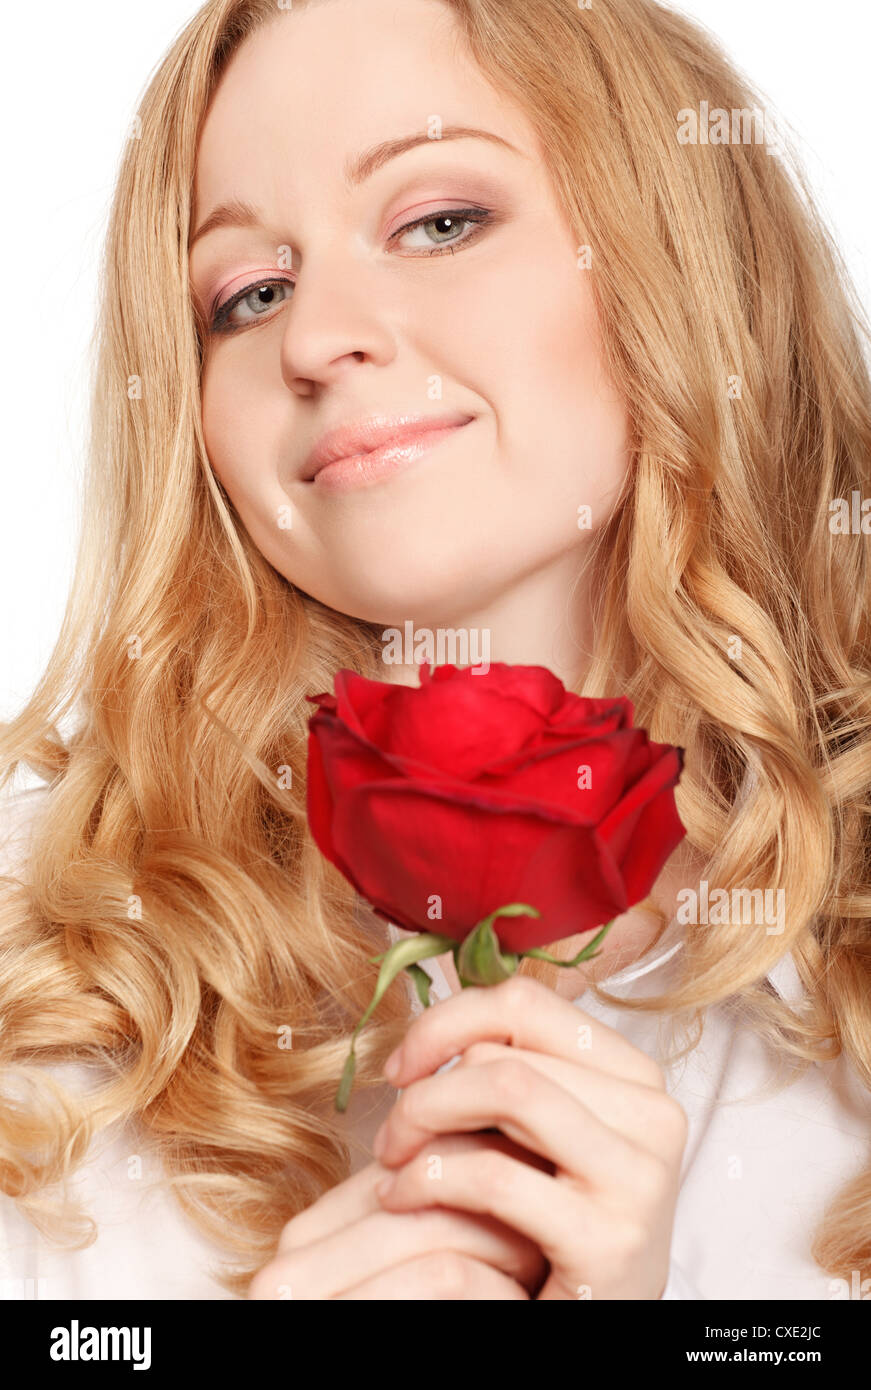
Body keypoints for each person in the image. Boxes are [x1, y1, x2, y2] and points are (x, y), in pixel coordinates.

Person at [1, 0, 869, 1301]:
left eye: (440, 220)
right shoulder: (46, 963)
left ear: (681, 253)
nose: (312, 338)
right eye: (250, 293)